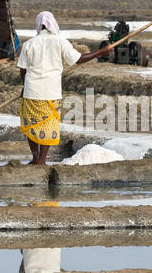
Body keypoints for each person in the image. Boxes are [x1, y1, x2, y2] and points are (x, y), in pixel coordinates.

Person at [17, 11, 110, 165]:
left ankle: (35, 159)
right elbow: (78, 59)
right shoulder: (60, 42)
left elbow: (23, 70)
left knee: (32, 124)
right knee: (48, 125)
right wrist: (99, 53)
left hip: (32, 91)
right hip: (51, 91)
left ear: (39, 26)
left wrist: (24, 86)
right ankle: (41, 160)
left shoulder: (29, 44)